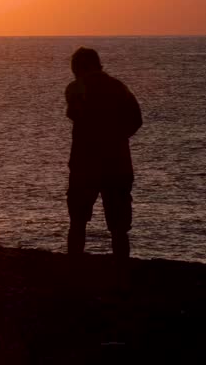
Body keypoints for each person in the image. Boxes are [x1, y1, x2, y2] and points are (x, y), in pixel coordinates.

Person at [63, 47, 142, 260]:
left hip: (84, 164)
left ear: (78, 67)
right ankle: (121, 270)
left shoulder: (75, 88)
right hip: (117, 163)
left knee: (78, 221)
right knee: (119, 227)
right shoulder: (119, 88)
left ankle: (74, 267)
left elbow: (74, 113)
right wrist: (117, 138)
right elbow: (136, 119)